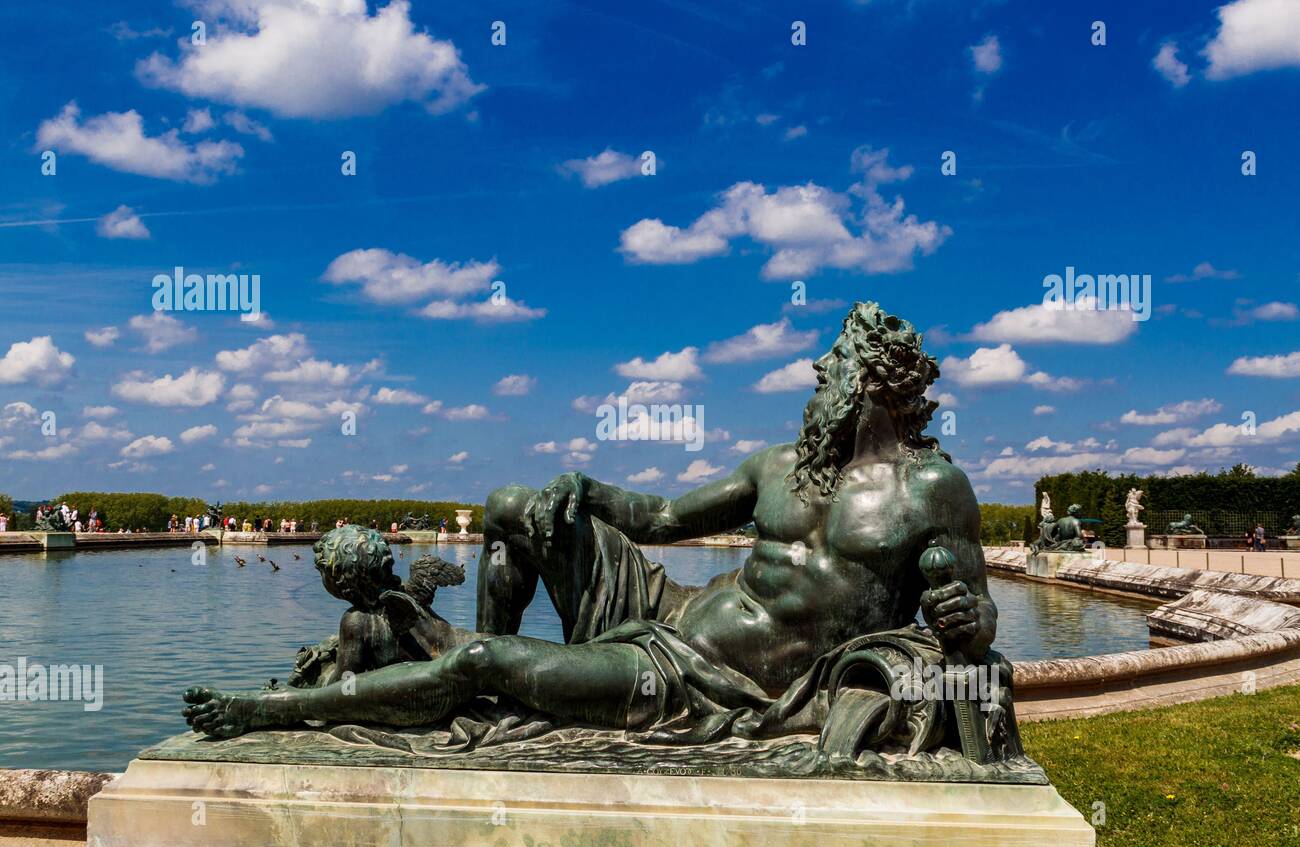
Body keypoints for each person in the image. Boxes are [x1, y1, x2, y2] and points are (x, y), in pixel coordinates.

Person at [183, 302, 1003, 744]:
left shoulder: (933, 488)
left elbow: (976, 618)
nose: (815, 379)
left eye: (829, 369)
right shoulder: (778, 466)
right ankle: (490, 702)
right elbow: (662, 517)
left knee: (478, 656)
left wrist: (968, 622)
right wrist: (586, 487)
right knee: (513, 506)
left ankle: (280, 709)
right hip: (669, 611)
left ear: (865, 383)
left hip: (698, 679)